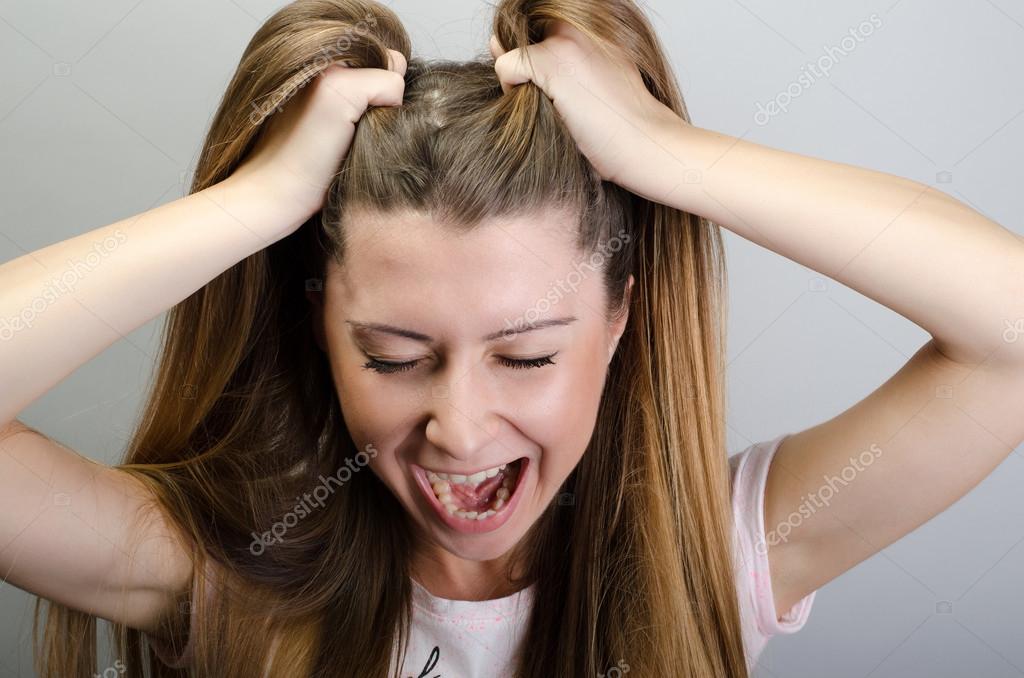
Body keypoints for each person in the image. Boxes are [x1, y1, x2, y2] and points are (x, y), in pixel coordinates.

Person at [2, 0, 1023, 676]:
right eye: (394, 357)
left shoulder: (709, 559)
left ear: (618, 318)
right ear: (320, 329)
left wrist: (667, 154)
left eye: (526, 356)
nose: (459, 427)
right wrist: (254, 205)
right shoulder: (226, 570)